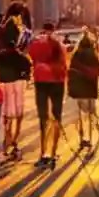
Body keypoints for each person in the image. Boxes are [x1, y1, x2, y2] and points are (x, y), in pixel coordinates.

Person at [0, 15, 32, 162]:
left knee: (7, 116)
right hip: (18, 84)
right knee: (18, 116)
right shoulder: (22, 57)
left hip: (4, 84)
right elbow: (28, 72)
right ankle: (14, 142)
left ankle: (7, 144)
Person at [28, 22, 68, 168]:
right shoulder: (60, 44)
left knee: (43, 117)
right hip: (57, 80)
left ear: (43, 29)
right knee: (57, 116)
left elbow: (31, 56)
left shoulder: (37, 42)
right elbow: (64, 63)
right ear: (54, 30)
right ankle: (53, 153)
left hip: (41, 80)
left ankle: (43, 153)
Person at [68, 32, 99, 152]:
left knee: (82, 115)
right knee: (90, 114)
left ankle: (82, 138)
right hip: (91, 88)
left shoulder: (76, 55)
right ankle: (90, 139)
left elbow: (71, 71)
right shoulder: (93, 55)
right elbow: (98, 71)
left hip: (79, 89)